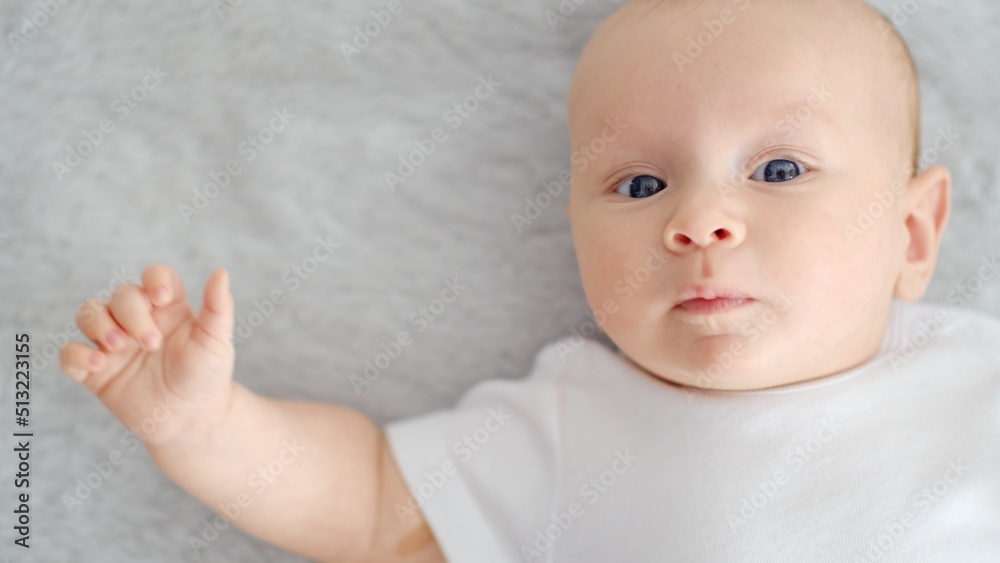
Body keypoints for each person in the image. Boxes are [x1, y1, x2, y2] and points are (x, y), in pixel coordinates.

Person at [59, 0, 1000, 561]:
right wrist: (204, 425)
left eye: (780, 170)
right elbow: (376, 507)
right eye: (639, 183)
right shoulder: (577, 418)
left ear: (912, 233)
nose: (699, 218)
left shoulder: (978, 387)